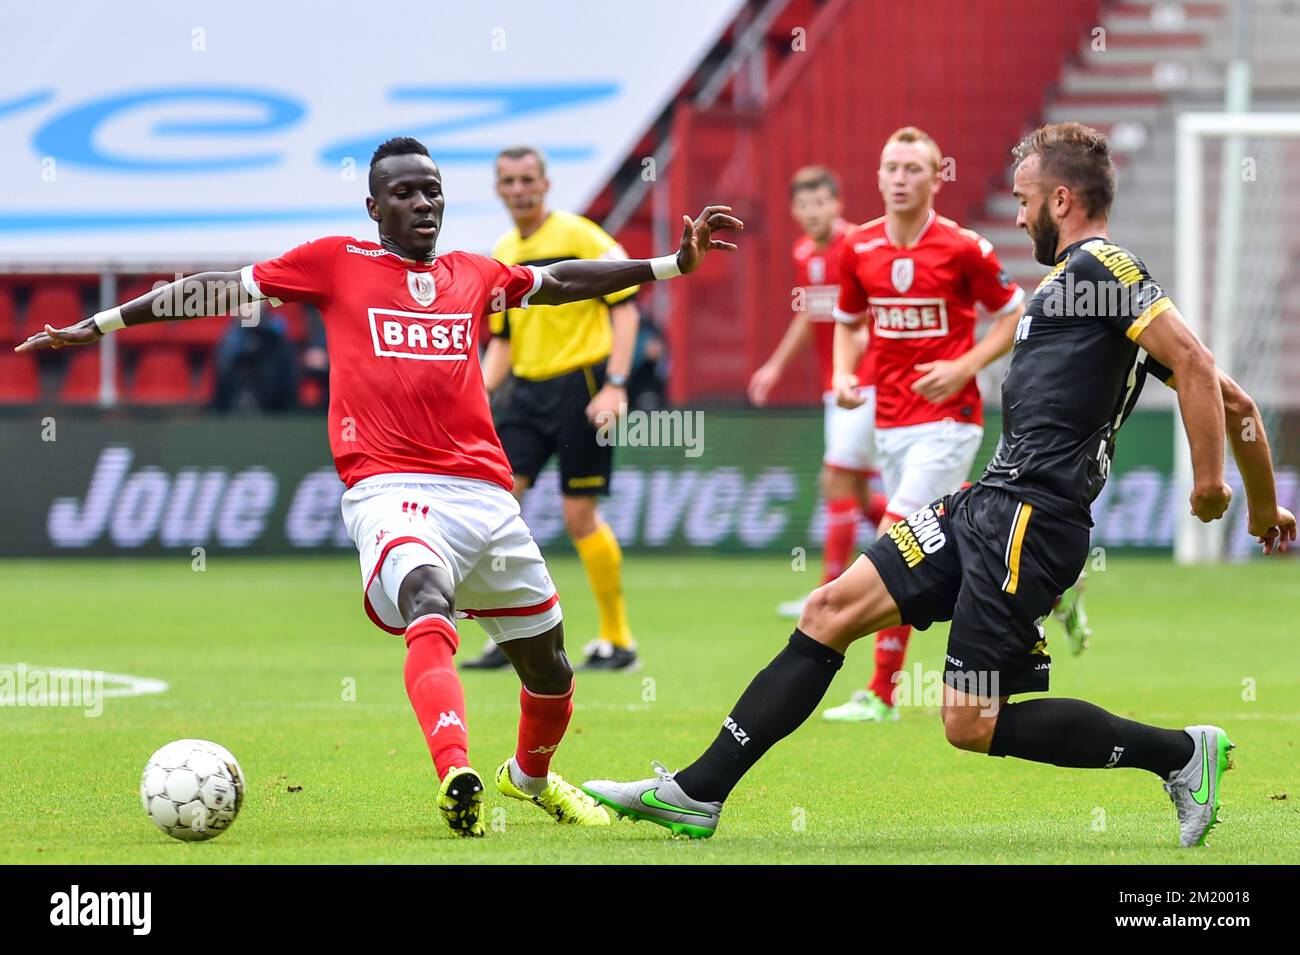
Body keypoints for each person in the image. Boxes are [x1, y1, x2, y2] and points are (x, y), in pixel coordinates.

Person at [582, 122, 1294, 846]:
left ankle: (1181, 754)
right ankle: (696, 792)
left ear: (1062, 200)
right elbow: (1237, 404)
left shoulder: (1104, 268)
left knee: (970, 721)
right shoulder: (1074, 285)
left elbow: (1200, 368)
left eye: (1024, 199)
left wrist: (1212, 483)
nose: (1018, 213)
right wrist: (1266, 510)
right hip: (985, 505)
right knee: (829, 609)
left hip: (1029, 523)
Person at [18, 136, 743, 839]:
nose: (423, 203)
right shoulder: (336, 262)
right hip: (390, 487)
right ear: (374, 207)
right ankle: (455, 772)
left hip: (485, 495)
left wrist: (670, 265)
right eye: (405, 193)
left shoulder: (473, 273)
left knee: (549, 666)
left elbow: (561, 283)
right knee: (427, 595)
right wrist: (101, 323)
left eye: (433, 191)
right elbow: (218, 290)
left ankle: (529, 778)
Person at [817, 127, 1028, 723]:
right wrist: (843, 374)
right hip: (890, 420)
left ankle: (880, 691)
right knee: (932, 547)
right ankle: (1033, 573)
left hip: (949, 420)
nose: (900, 179)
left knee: (894, 544)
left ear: (937, 179)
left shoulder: (964, 249)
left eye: (913, 169)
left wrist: (963, 366)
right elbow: (849, 322)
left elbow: (1014, 315)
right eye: (892, 168)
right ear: (878, 176)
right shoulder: (857, 247)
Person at [462, 145, 643, 673]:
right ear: (498, 190)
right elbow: (502, 341)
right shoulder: (502, 252)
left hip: (581, 387)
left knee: (579, 515)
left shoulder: (581, 236)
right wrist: (474, 393)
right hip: (525, 393)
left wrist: (615, 385)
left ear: (546, 184)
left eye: (527, 180)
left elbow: (626, 310)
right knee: (496, 509)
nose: (519, 190)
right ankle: (509, 635)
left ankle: (618, 640)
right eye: (509, 181)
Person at [747, 167, 888, 616]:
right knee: (859, 494)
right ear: (794, 210)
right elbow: (810, 313)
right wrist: (774, 366)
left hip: (867, 382)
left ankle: (828, 593)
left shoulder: (858, 246)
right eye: (804, 205)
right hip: (837, 385)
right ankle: (928, 548)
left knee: (835, 479)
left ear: (837, 204)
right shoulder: (804, 252)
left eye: (820, 202)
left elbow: (877, 310)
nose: (812, 212)